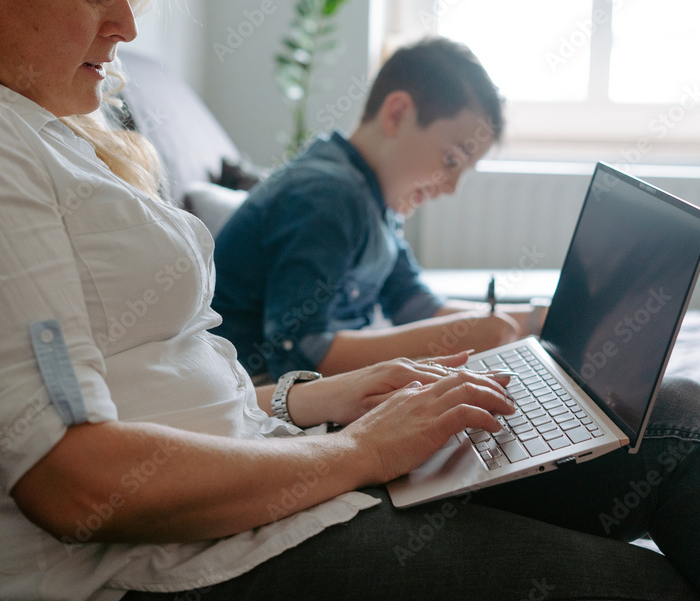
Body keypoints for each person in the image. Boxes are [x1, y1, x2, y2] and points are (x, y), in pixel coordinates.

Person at [0, 1, 700, 601]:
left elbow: (164, 381)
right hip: (158, 571)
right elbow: (74, 481)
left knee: (679, 422)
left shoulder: (31, 129)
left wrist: (320, 403)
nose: (128, 20)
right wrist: (358, 454)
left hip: (261, 484)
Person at [212, 38, 539, 382]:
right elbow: (301, 354)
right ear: (397, 114)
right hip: (254, 394)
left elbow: (414, 306)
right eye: (451, 160)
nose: (451, 188)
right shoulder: (326, 196)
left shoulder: (374, 199)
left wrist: (536, 320)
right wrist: (443, 340)